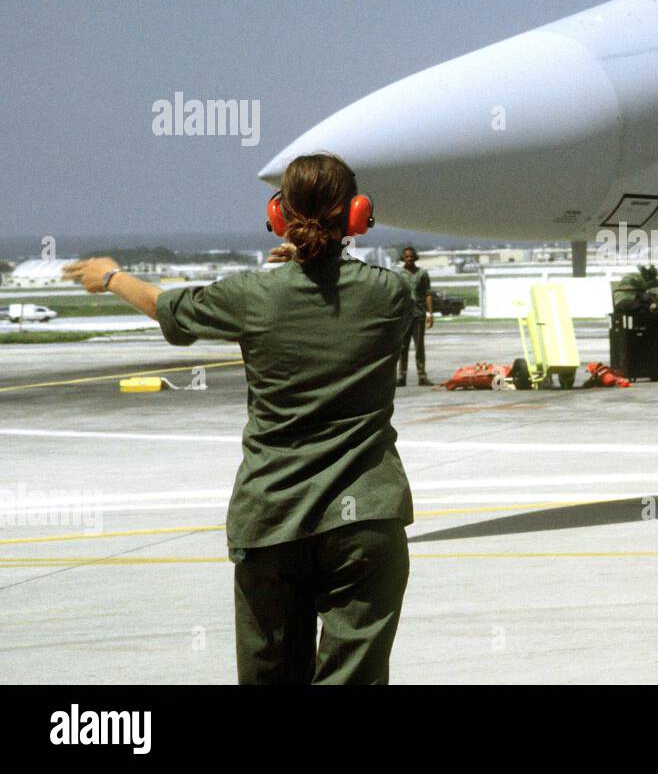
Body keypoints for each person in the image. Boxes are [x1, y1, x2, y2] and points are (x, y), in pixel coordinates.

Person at [62, 152, 414, 684]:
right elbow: (336, 295)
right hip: (364, 518)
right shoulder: (393, 293)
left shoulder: (251, 296)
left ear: (279, 216)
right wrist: (308, 261)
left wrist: (111, 276)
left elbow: (167, 308)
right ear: (358, 215)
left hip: (272, 518)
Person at [397, 246, 434, 387]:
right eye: (406, 257)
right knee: (402, 347)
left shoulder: (422, 274)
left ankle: (422, 376)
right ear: (403, 258)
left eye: (411, 257)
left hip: (419, 315)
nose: (409, 259)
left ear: (415, 258)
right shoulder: (399, 274)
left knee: (419, 347)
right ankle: (402, 376)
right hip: (404, 316)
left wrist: (430, 313)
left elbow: (428, 293)